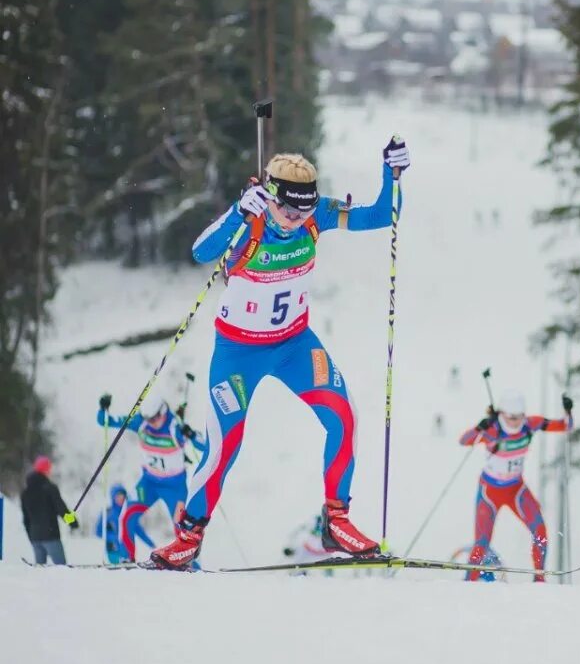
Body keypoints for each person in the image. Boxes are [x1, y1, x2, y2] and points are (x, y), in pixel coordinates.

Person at [150, 138, 411, 569]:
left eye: (303, 211)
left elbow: (384, 214)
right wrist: (238, 210)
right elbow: (200, 251)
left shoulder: (317, 215)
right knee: (225, 444)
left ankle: (336, 519)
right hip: (238, 353)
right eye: (287, 210)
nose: (294, 219)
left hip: (295, 345)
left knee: (342, 415)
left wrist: (393, 174)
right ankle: (188, 537)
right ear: (269, 196)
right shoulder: (248, 220)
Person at [457, 390, 573, 581]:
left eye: (520, 417)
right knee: (482, 544)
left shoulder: (529, 424)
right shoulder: (493, 430)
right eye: (512, 418)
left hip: (516, 489)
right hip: (489, 492)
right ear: (502, 414)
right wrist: (480, 428)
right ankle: (469, 582)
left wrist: (568, 412)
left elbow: (564, 426)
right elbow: (464, 440)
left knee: (540, 531)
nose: (516, 422)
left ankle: (539, 579)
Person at [96, 390, 205, 560]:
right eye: (148, 419)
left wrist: (191, 434)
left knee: (182, 529)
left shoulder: (175, 427)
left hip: (174, 487)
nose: (151, 423)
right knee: (126, 516)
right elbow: (105, 421)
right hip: (149, 483)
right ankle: (127, 559)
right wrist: (103, 408)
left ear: (163, 411)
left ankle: (188, 563)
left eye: (154, 418)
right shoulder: (140, 422)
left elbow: (205, 446)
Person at [20, 455, 78, 565]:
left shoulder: (25, 493)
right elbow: (62, 510)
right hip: (50, 535)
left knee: (40, 571)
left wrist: (31, 536)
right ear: (47, 470)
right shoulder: (50, 488)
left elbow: (26, 518)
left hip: (35, 537)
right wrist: (73, 522)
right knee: (61, 568)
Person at [95, 483, 153, 564]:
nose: (121, 499)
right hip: (113, 551)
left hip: (129, 553)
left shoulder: (129, 513)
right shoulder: (107, 513)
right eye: (118, 496)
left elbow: (139, 531)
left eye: (123, 496)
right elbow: (98, 532)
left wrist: (152, 545)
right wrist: (113, 537)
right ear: (113, 497)